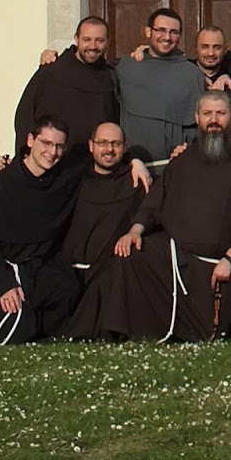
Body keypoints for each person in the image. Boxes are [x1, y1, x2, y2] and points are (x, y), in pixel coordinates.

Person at [77, 90, 231, 342]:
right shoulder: (184, 159)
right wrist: (136, 229)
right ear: (197, 117)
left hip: (221, 263)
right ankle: (119, 332)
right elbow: (157, 197)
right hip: (177, 257)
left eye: (220, 113)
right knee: (129, 255)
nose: (213, 120)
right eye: (207, 113)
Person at [0, 116, 81, 346]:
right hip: (5, 267)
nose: (52, 152)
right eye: (46, 143)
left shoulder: (62, 179)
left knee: (66, 290)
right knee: (16, 318)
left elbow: (102, 157)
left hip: (41, 266)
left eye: (59, 146)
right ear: (30, 140)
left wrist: (135, 162)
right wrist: (3, 285)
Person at [54, 122, 147, 340]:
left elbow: (150, 212)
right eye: (102, 143)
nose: (109, 149)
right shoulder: (73, 177)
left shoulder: (135, 181)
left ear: (125, 148)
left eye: (115, 144)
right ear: (91, 146)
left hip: (107, 270)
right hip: (68, 269)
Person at [13, 15, 119, 173]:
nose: (93, 46)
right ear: (76, 39)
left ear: (108, 42)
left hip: (92, 171)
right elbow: (25, 115)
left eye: (99, 40)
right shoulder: (51, 71)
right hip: (51, 165)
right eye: (87, 39)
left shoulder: (111, 76)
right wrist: (27, 160)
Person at [116, 8, 208, 162]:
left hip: (178, 166)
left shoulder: (192, 74)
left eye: (174, 32)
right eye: (161, 30)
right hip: (132, 167)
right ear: (148, 31)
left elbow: (200, 125)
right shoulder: (126, 67)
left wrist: (189, 148)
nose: (167, 37)